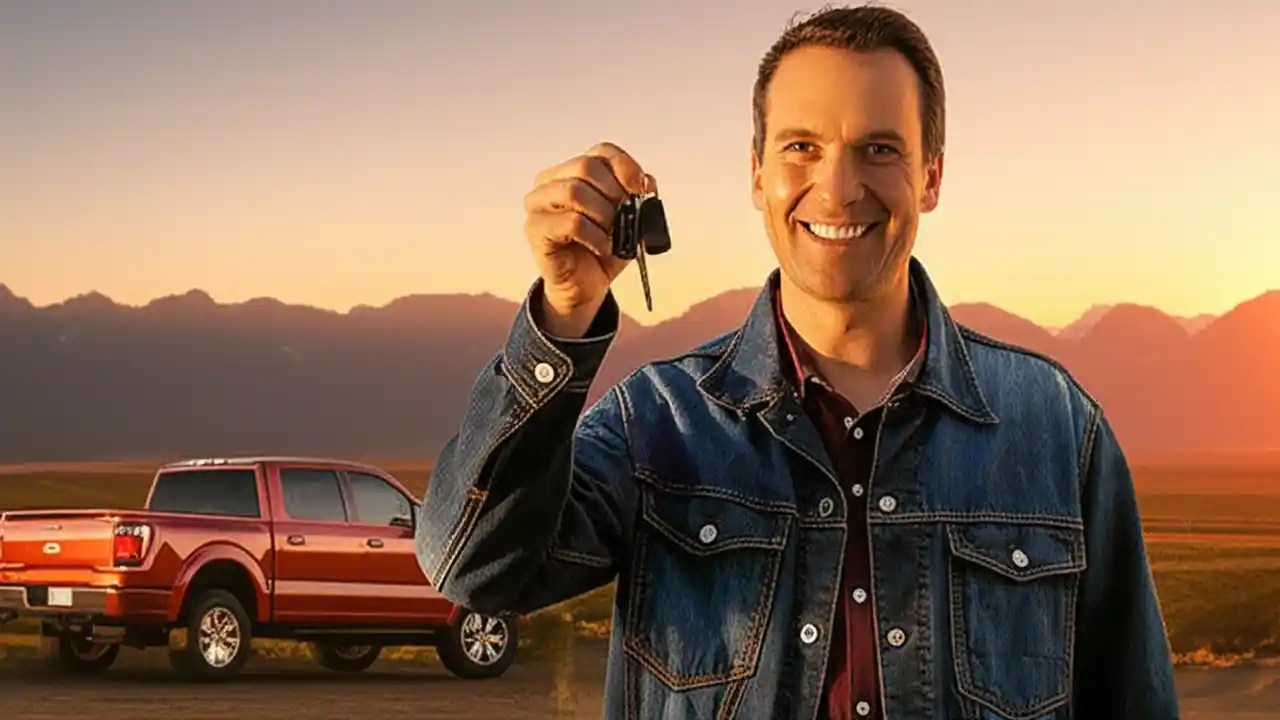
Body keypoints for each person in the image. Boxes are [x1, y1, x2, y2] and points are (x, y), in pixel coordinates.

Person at [414, 4, 1180, 719]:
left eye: (879, 149)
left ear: (932, 177)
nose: (839, 189)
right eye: (802, 148)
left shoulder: (1054, 427)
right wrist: (562, 314)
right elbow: (476, 568)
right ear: (757, 173)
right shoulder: (656, 425)